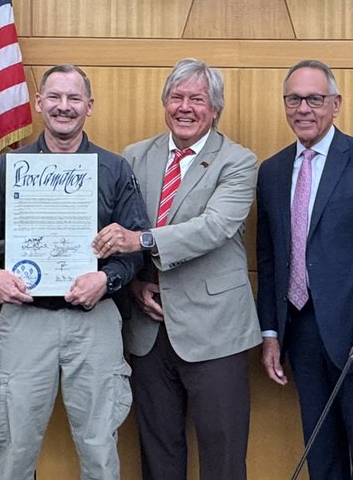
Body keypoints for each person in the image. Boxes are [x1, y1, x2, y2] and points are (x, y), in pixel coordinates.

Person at [0, 64, 148, 480]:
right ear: (38, 103)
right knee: (14, 448)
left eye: (74, 98)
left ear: (89, 106)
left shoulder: (115, 169)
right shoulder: (11, 167)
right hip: (25, 319)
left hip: (94, 320)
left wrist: (107, 279)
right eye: (55, 97)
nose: (64, 106)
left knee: (99, 449)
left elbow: (133, 247)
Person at [93, 58, 259, 480]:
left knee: (223, 456)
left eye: (197, 99)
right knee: (158, 454)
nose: (185, 107)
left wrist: (142, 241)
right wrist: (133, 284)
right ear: (165, 102)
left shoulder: (238, 161)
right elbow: (119, 227)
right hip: (148, 329)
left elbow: (215, 227)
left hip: (214, 329)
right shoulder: (135, 156)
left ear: (215, 109)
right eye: (177, 97)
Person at [255, 59, 353, 480]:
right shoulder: (271, 172)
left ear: (336, 104)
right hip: (301, 332)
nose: (303, 108)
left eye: (314, 99)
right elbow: (268, 260)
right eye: (293, 99)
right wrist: (270, 333)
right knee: (321, 456)